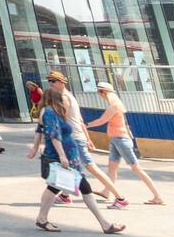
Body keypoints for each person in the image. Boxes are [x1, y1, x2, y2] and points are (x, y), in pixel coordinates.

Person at [29, 87, 124, 234]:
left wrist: (35, 148)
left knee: (55, 187)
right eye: (62, 99)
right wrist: (62, 156)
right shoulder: (48, 112)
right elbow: (52, 134)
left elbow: (39, 130)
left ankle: (42, 219)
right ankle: (105, 224)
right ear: (55, 99)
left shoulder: (52, 112)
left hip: (68, 157)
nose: (64, 102)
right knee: (65, 187)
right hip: (61, 157)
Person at [45, 71, 125, 206]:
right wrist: (87, 139)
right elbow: (80, 120)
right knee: (69, 168)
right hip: (77, 137)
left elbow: (61, 119)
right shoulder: (70, 96)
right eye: (49, 81)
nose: (50, 84)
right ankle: (65, 195)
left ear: (60, 82)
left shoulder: (64, 97)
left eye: (52, 81)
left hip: (73, 138)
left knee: (91, 167)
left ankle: (120, 198)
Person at [85, 81, 165, 207]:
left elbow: (101, 120)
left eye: (101, 91)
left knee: (136, 169)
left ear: (106, 92)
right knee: (112, 168)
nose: (100, 94)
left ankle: (157, 196)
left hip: (121, 141)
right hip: (115, 140)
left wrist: (85, 125)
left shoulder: (114, 106)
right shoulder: (115, 105)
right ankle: (106, 191)